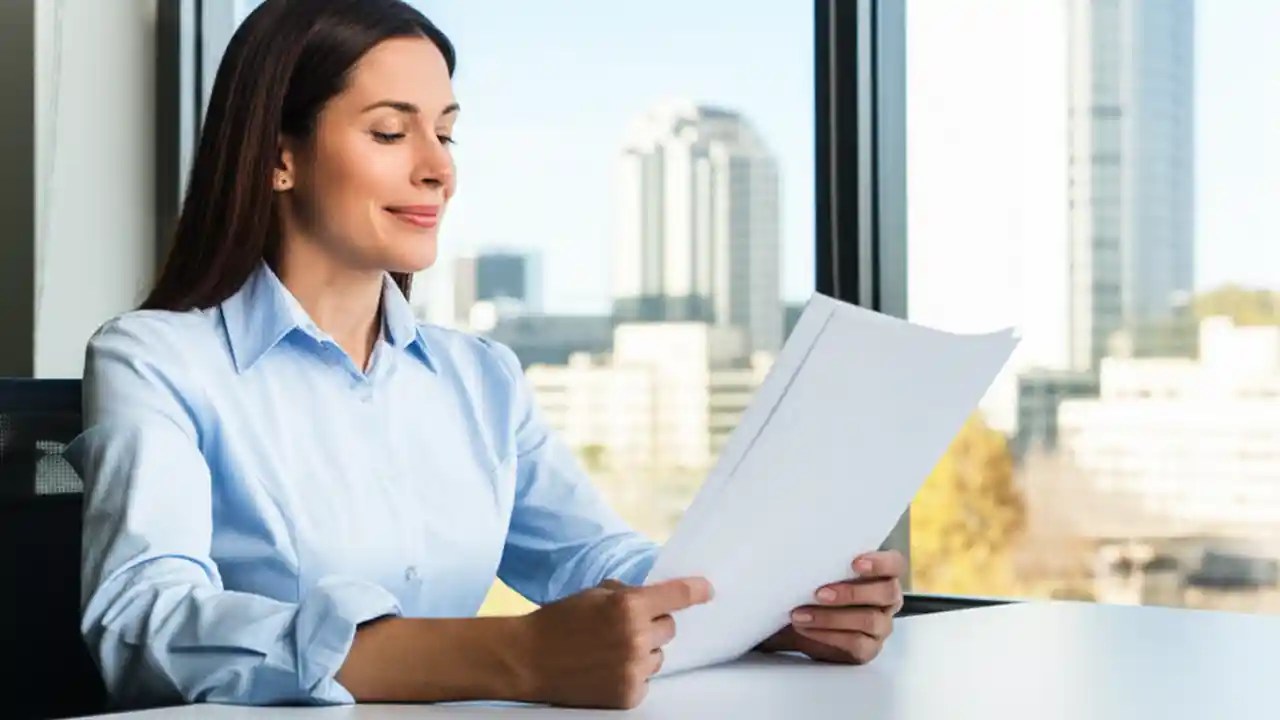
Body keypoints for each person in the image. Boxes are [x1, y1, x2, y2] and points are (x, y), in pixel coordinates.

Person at [68, 0, 905, 710]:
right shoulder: (157, 361)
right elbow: (147, 623)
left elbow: (595, 562)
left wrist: (778, 611)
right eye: (391, 131)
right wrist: (514, 656)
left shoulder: (479, 377)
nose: (438, 170)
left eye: (447, 133)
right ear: (279, 156)